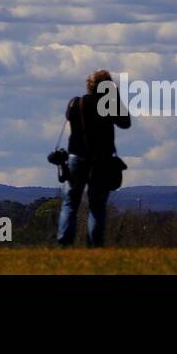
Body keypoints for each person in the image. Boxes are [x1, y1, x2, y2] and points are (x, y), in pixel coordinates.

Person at [57, 70, 130, 247]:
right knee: (97, 207)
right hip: (102, 160)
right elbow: (125, 123)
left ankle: (64, 243)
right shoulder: (109, 105)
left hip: (76, 157)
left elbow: (68, 117)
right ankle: (95, 246)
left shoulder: (76, 103)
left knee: (70, 203)